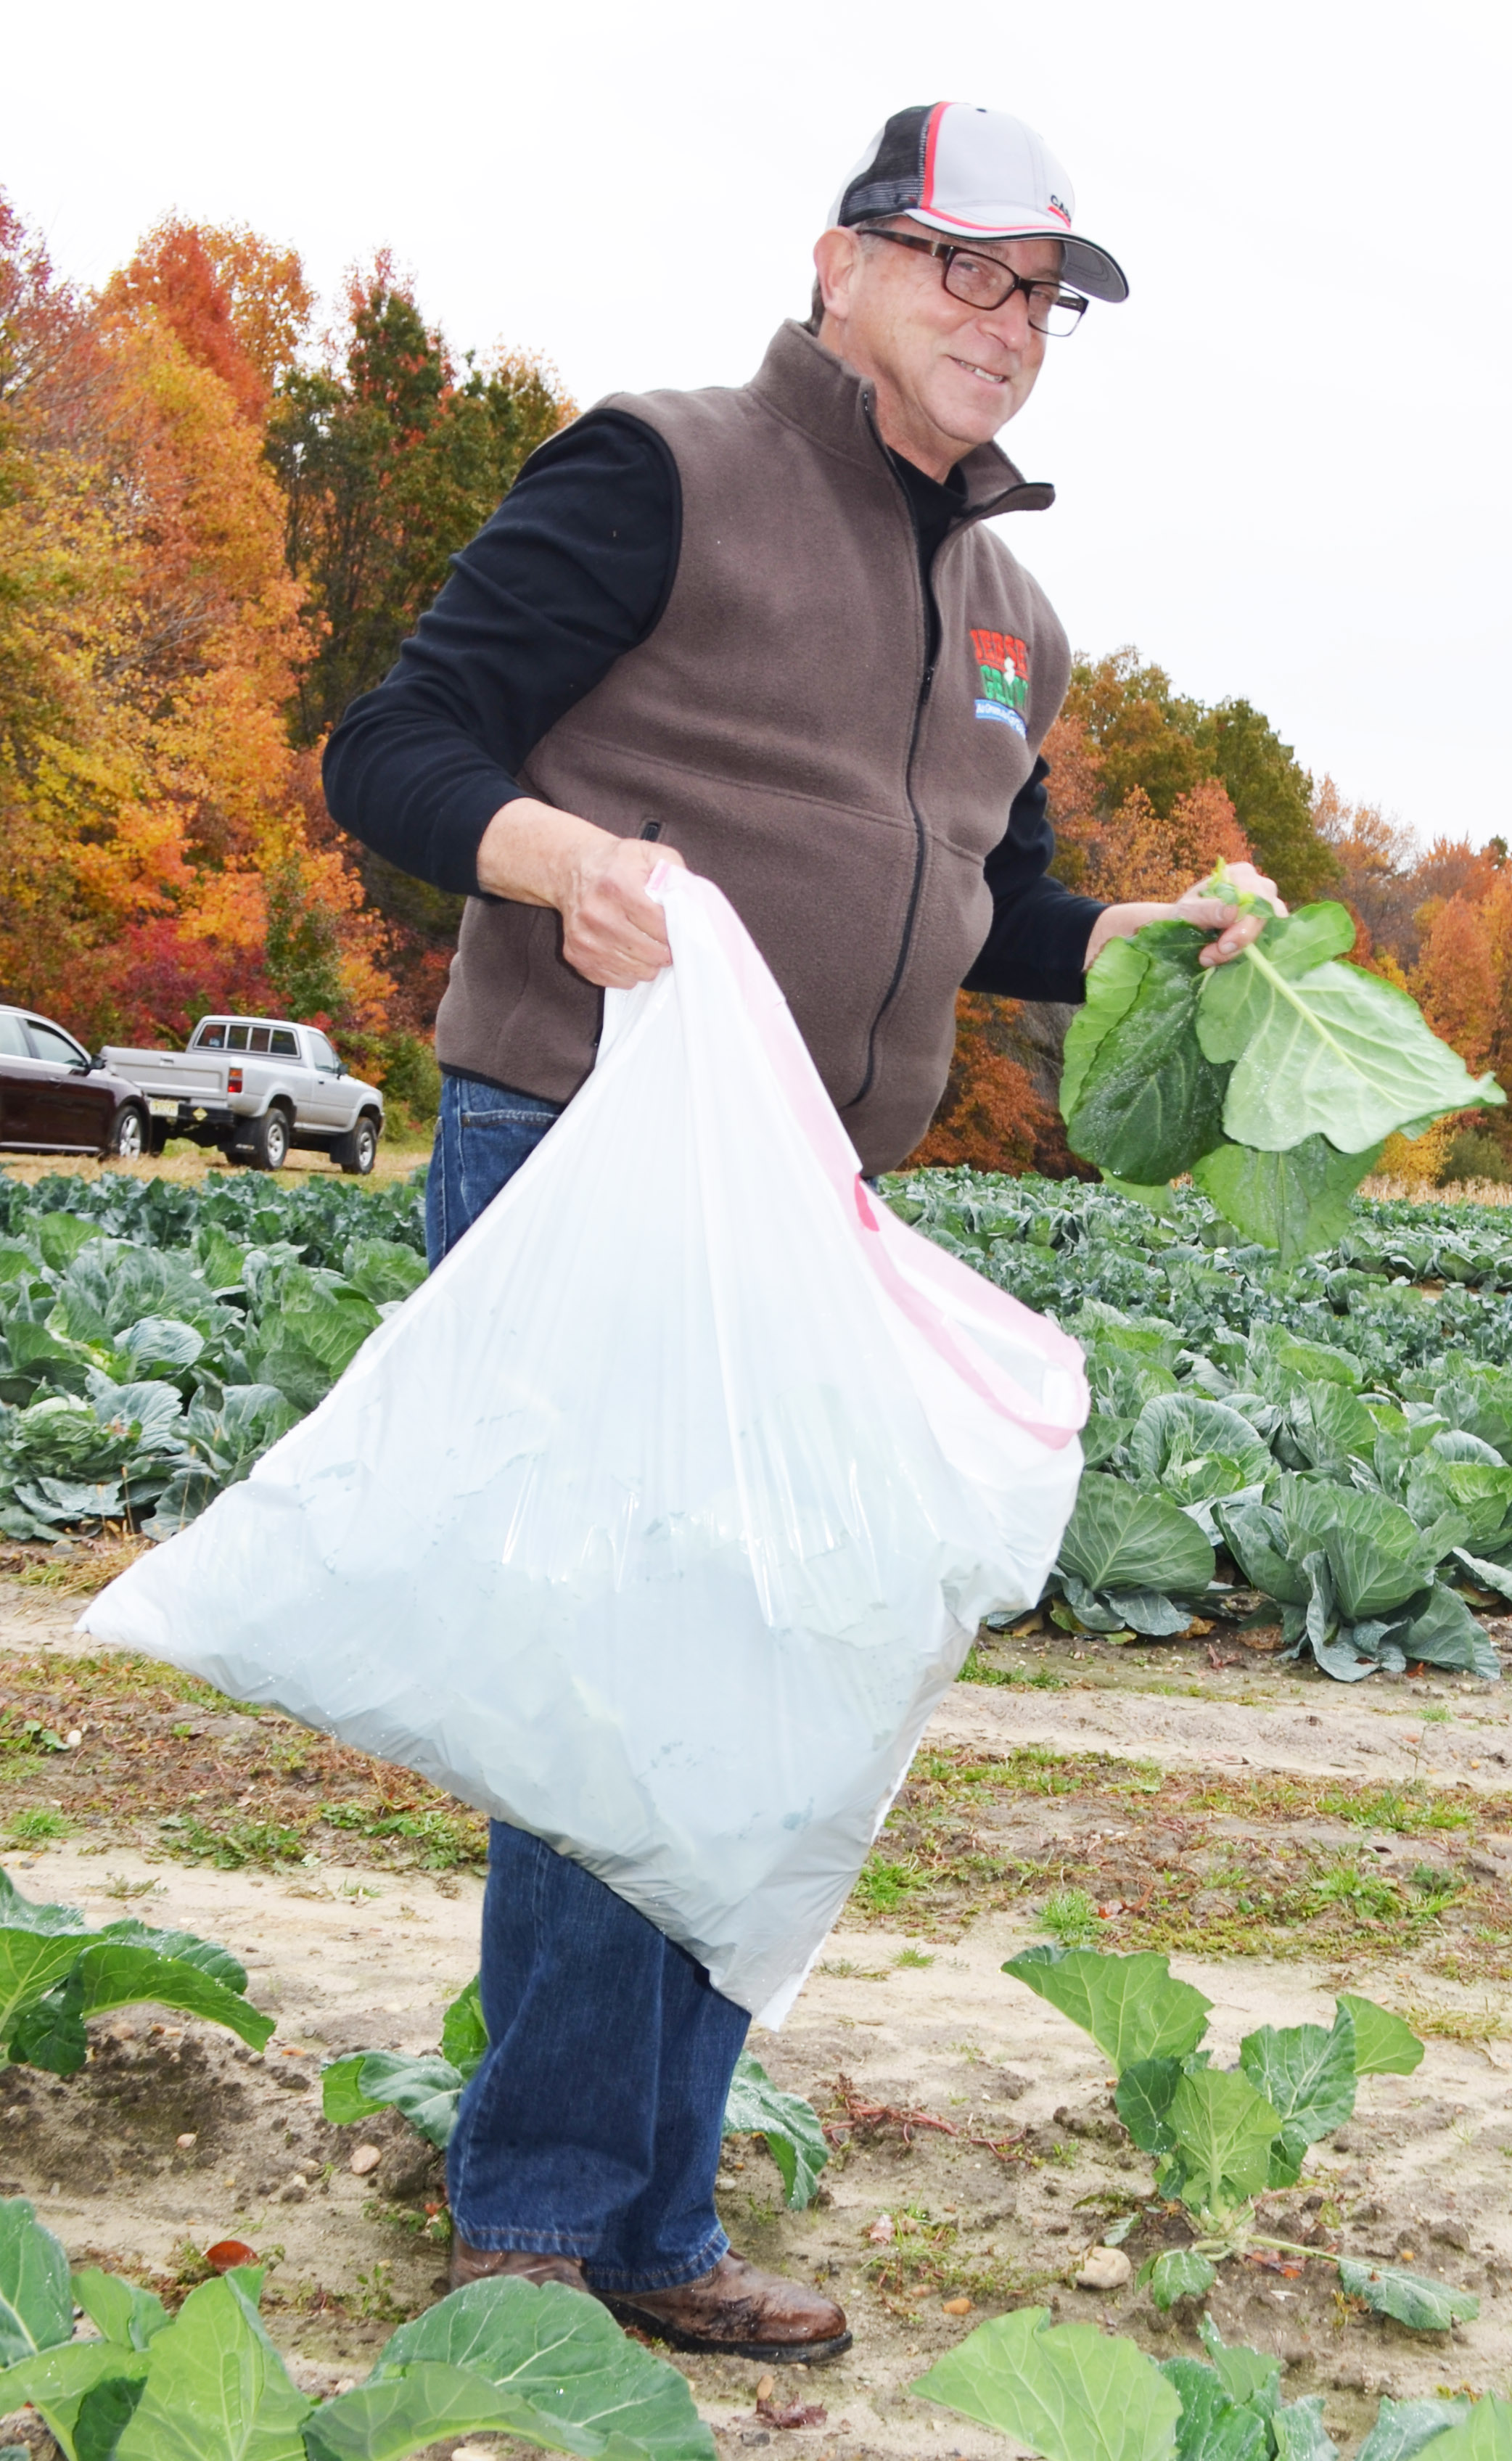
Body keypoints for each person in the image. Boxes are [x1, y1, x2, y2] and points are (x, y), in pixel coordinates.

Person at [324, 102, 1276, 2364]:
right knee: (615, 1701)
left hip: (810, 1200)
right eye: (966, 269)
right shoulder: (662, 469)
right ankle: (552, 2226)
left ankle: (649, 2212)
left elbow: (984, 895)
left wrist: (1129, 934)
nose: (1010, 323)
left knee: (750, 1705)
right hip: (590, 1141)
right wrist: (569, 867)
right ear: (839, 265)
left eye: (1043, 292)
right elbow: (399, 745)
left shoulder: (1015, 610)